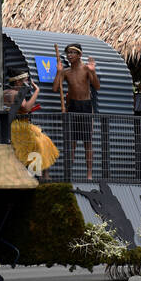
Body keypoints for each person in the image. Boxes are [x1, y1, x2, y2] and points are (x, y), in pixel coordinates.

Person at [53, 43, 101, 180]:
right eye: (68, 52)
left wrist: (92, 71)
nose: (69, 55)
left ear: (79, 55)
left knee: (88, 142)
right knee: (72, 142)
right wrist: (58, 72)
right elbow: (55, 89)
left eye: (73, 52)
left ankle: (89, 174)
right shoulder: (65, 72)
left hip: (85, 106)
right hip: (72, 106)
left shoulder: (86, 69)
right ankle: (69, 174)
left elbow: (97, 86)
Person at [4, 71, 59, 175]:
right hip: (17, 126)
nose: (28, 82)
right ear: (18, 82)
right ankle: (39, 175)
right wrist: (37, 91)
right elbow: (26, 108)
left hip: (10, 124)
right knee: (42, 144)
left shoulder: (5, 92)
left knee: (43, 141)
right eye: (26, 80)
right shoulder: (16, 93)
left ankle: (40, 174)